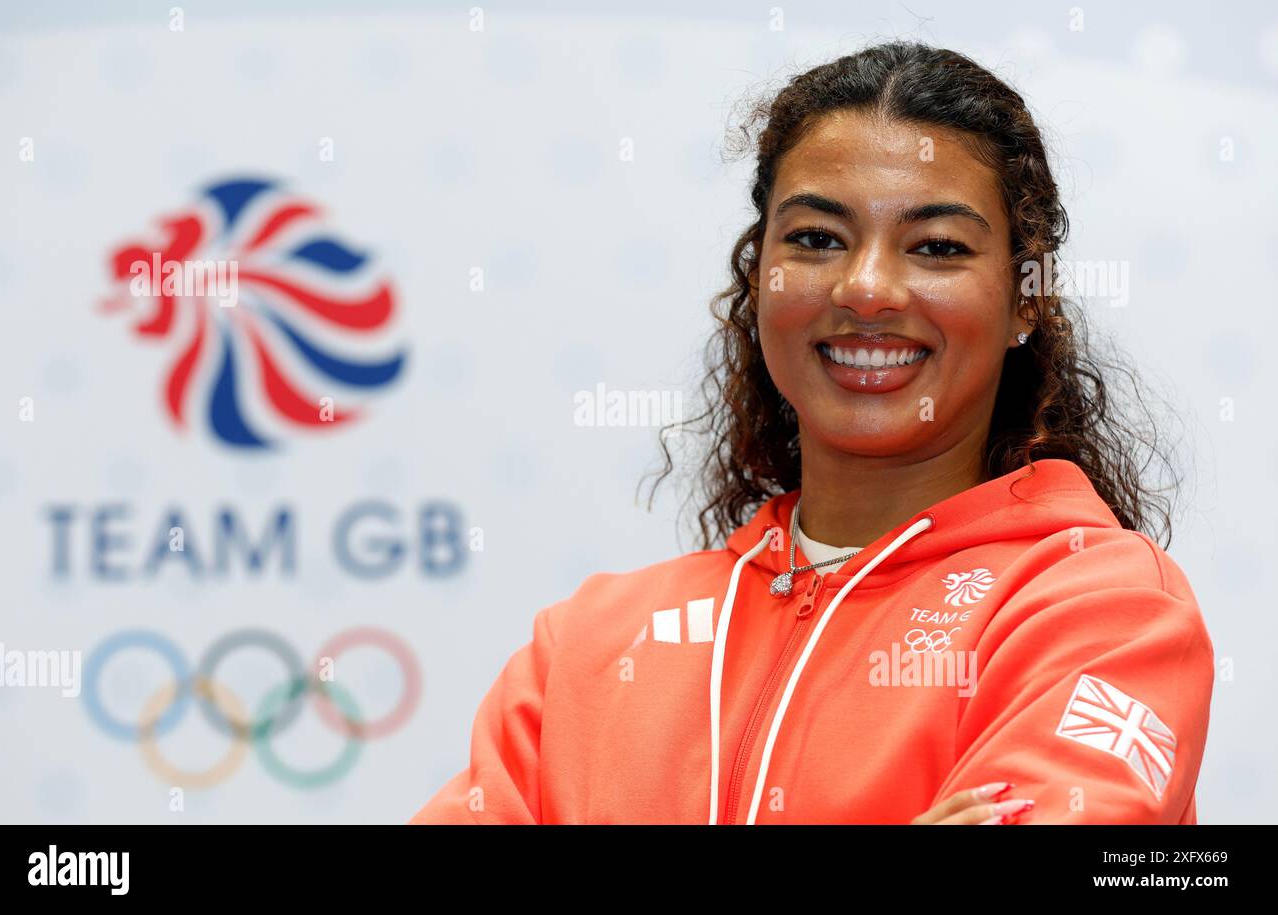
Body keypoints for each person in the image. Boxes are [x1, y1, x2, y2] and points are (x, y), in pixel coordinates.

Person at [409, 40, 1214, 825]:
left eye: (937, 247)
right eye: (818, 239)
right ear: (757, 275)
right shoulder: (586, 647)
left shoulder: (1099, 611)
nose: (866, 288)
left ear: (1024, 301)